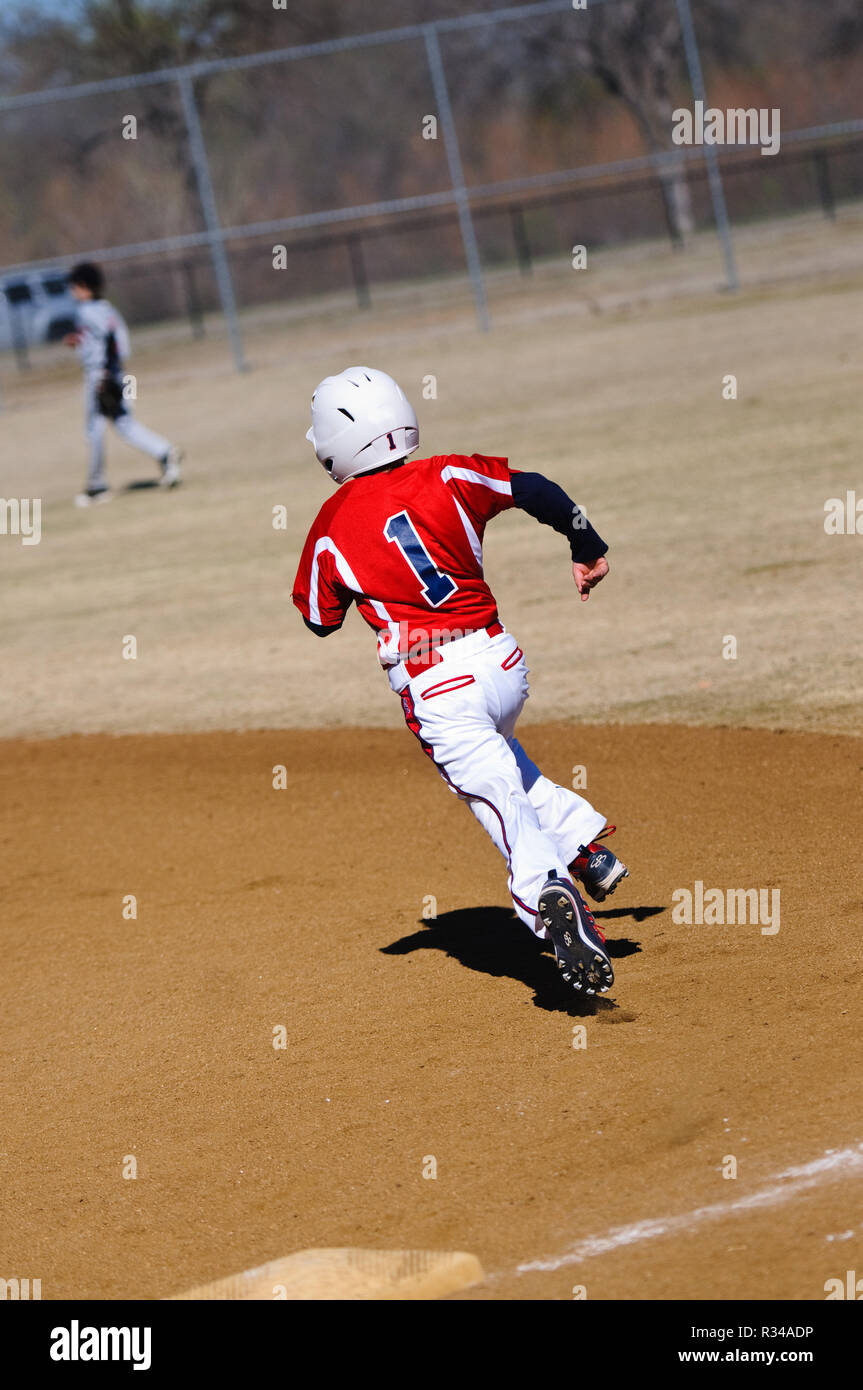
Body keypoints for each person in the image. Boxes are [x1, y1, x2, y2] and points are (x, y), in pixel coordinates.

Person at [292, 366, 629, 996]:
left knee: (497, 795)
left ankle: (550, 898)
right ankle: (584, 845)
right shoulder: (448, 474)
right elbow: (536, 487)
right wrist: (585, 544)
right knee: (504, 759)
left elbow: (317, 619)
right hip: (502, 665)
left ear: (336, 443)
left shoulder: (332, 521)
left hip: (434, 681)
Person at [64, 262, 182, 506]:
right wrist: (81, 341)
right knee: (124, 422)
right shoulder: (108, 309)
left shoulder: (86, 311)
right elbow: (117, 341)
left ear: (85, 287)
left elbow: (108, 341)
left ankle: (96, 487)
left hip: (101, 375)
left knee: (94, 429)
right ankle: (165, 452)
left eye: (75, 286)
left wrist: (105, 374)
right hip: (121, 374)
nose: (72, 291)